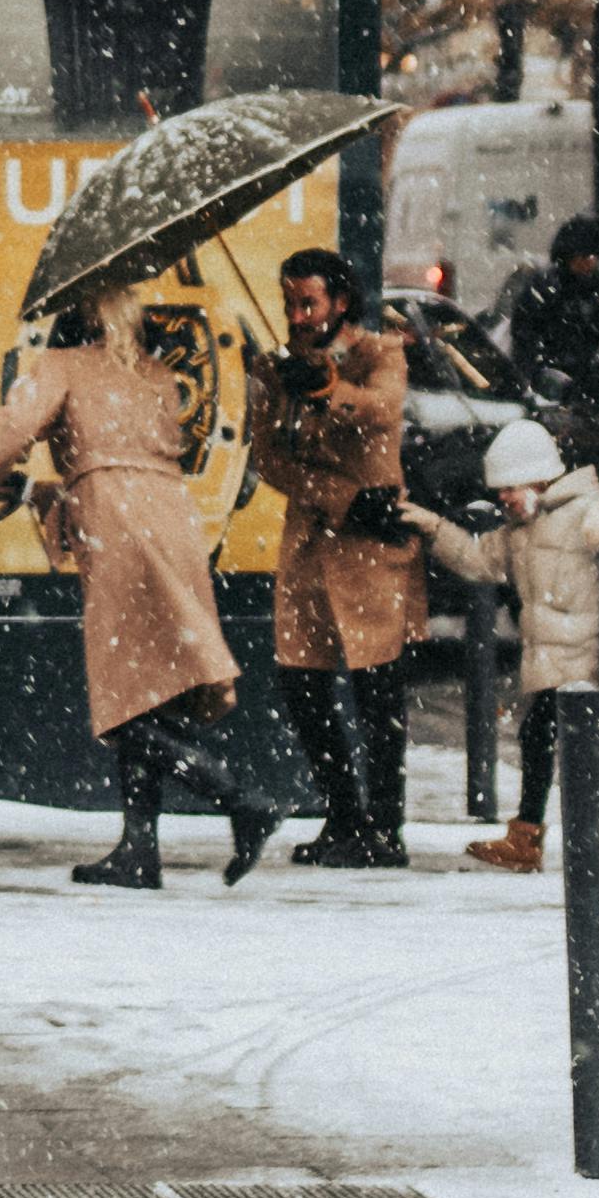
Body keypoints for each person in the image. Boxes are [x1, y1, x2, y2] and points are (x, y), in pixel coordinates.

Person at [0, 284, 281, 890]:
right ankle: (138, 849)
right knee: (150, 688)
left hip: (117, 521)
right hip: (172, 516)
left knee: (124, 699)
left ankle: (239, 800)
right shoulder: (157, 375)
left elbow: (11, 429)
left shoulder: (62, 366)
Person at [403, 413, 599, 876]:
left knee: (595, 744)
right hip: (559, 658)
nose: (504, 499)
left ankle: (553, 838)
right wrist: (433, 528)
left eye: (511, 487)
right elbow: (478, 561)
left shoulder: (585, 507)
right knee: (592, 744)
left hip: (591, 657)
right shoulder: (520, 532)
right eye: (500, 491)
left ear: (540, 477)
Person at [248, 250, 425, 869]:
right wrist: (339, 498)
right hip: (310, 545)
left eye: (309, 303)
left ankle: (386, 826)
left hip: (371, 551)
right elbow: (269, 459)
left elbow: (382, 409)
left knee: (378, 692)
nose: (297, 315)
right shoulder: (277, 369)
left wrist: (328, 388)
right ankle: (343, 815)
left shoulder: (379, 352)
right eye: (290, 302)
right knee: (303, 684)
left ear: (340, 302)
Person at [507, 217, 599, 411]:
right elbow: (525, 342)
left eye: (590, 257)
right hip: (557, 387)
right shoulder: (544, 291)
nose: (586, 264)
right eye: (579, 258)